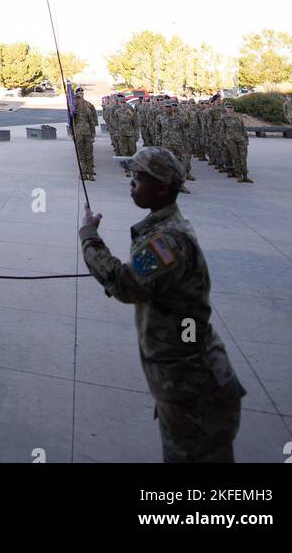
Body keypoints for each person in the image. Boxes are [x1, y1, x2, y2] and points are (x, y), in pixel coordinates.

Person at [79, 146, 245, 463]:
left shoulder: (168, 241)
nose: (131, 182)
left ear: (161, 188)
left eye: (139, 178)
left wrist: (89, 236)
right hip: (185, 379)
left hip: (193, 386)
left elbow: (124, 285)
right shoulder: (164, 228)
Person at [222, 102, 253, 182]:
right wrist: (224, 140)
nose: (230, 109)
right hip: (230, 140)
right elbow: (222, 130)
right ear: (225, 109)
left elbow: (243, 128)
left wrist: (246, 139)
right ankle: (238, 175)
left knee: (243, 157)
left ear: (233, 108)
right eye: (228, 107)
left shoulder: (238, 117)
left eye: (231, 107)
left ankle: (245, 175)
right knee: (235, 157)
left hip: (241, 139)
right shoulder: (224, 118)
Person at [72, 87, 98, 180]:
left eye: (81, 94)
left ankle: (90, 173)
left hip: (87, 134)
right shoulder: (73, 108)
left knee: (89, 154)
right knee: (81, 154)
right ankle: (83, 173)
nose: (80, 97)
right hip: (78, 134)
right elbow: (71, 122)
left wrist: (93, 135)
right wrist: (72, 134)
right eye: (78, 95)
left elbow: (92, 121)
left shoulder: (88, 106)